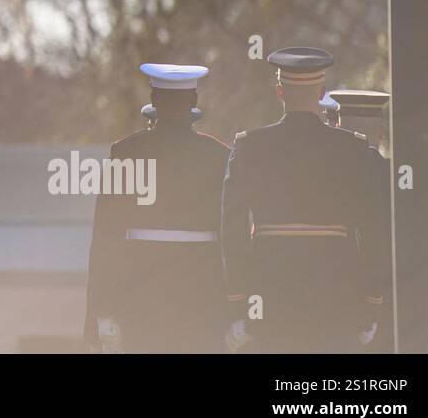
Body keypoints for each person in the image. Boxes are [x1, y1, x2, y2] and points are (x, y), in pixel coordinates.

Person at [221, 48, 389, 353]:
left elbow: (232, 232)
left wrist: (239, 303)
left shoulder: (249, 147)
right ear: (323, 93)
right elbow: (373, 230)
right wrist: (370, 301)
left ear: (280, 92)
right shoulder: (353, 149)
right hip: (337, 293)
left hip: (270, 292)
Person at [84, 63, 231, 353]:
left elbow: (105, 237)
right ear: (194, 102)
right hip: (202, 295)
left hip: (140, 294)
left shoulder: (126, 152)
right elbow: (232, 235)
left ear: (153, 99)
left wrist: (99, 311)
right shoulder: (220, 154)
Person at [327, 89, 394, 352]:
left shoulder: (322, 174)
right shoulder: (391, 175)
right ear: (380, 133)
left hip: (332, 292)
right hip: (385, 294)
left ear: (338, 128)